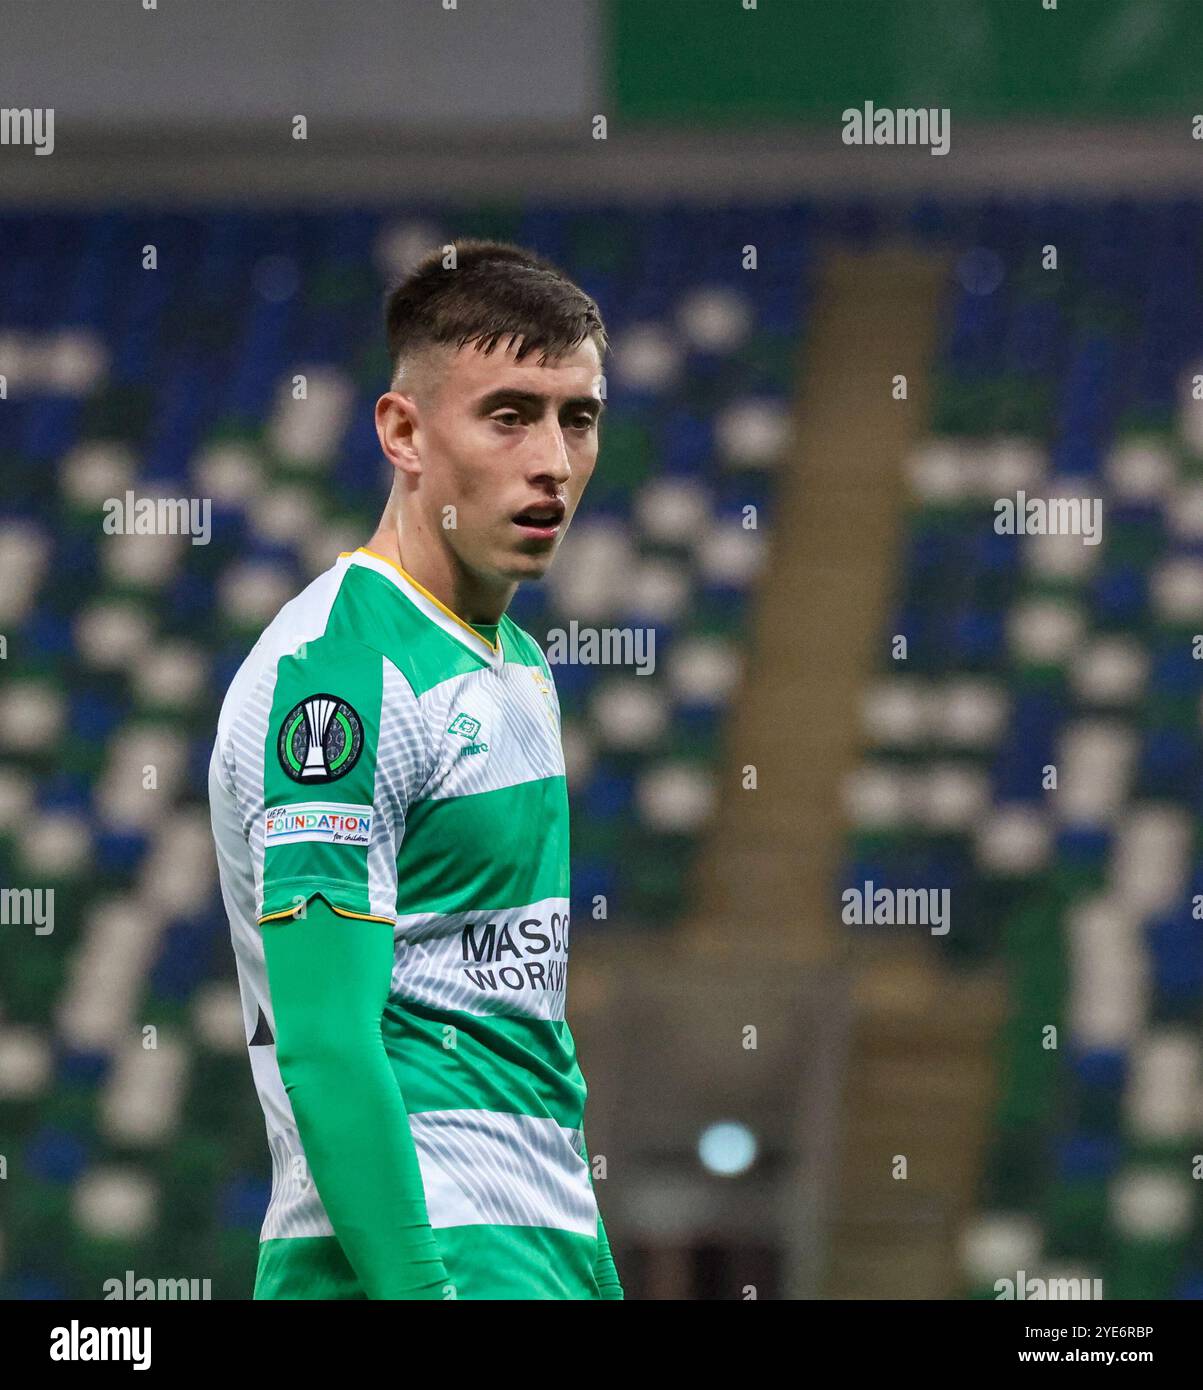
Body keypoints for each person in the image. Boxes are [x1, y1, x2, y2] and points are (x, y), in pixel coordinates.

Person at [208, 239, 622, 1299]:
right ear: (402, 432)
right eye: (509, 415)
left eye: (578, 418)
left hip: (536, 1255)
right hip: (410, 1263)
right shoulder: (339, 681)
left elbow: (526, 1037)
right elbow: (327, 1048)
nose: (553, 460)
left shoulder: (517, 662)